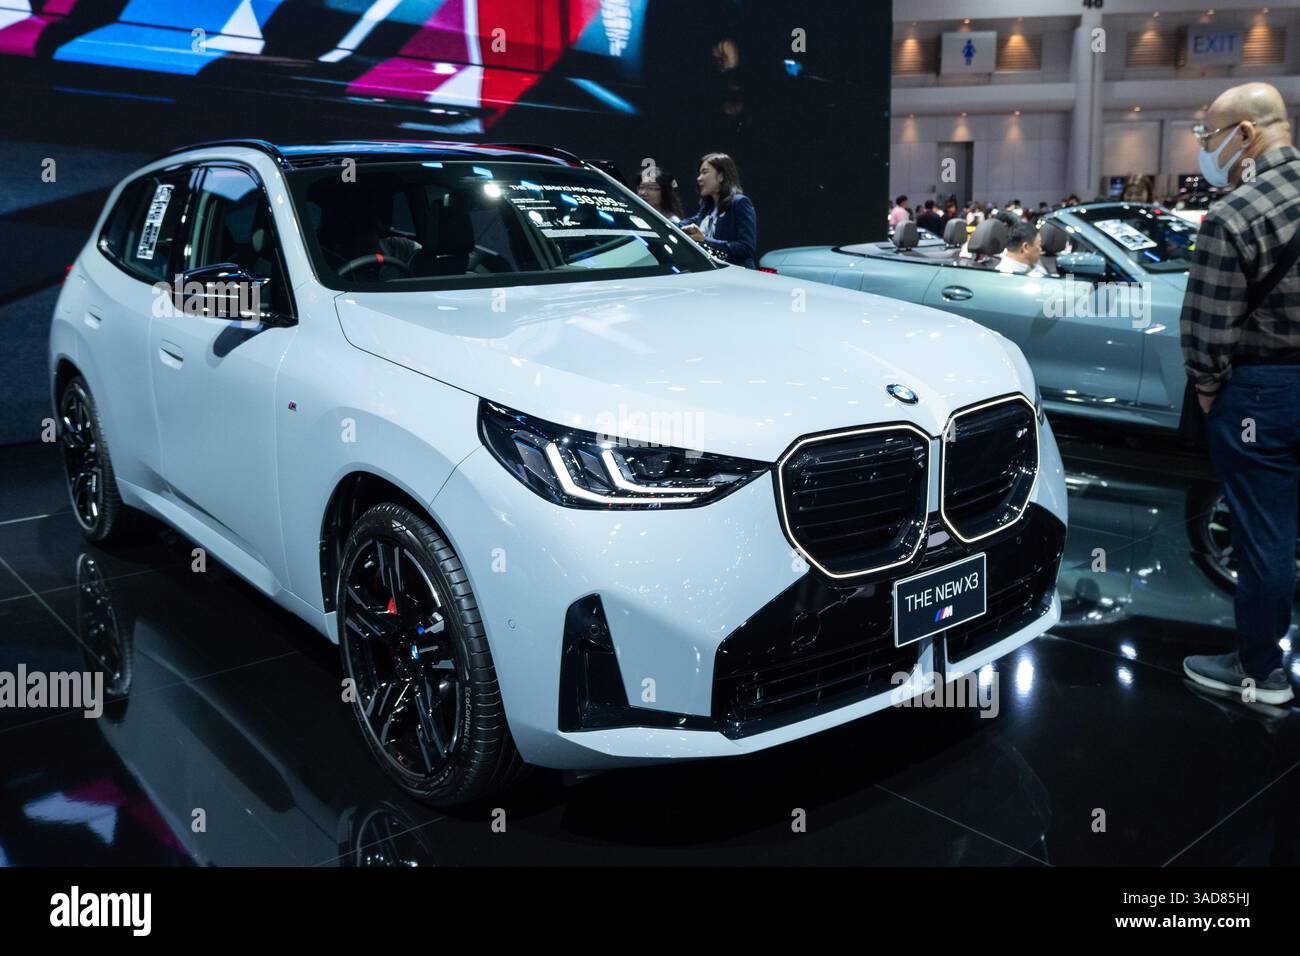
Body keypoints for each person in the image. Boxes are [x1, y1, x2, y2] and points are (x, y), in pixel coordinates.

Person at [1181, 82, 1300, 706]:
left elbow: (1206, 331)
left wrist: (1208, 391)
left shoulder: (1233, 214)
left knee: (1264, 534)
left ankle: (1261, 671)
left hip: (1264, 392)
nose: (1207, 149)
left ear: (1246, 135)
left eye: (1209, 137)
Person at [679, 152, 758, 268]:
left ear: (721, 176)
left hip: (736, 277)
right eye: (699, 173)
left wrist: (704, 240)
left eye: (705, 172)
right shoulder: (707, 209)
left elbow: (746, 248)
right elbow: (682, 224)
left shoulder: (740, 203)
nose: (699, 178)